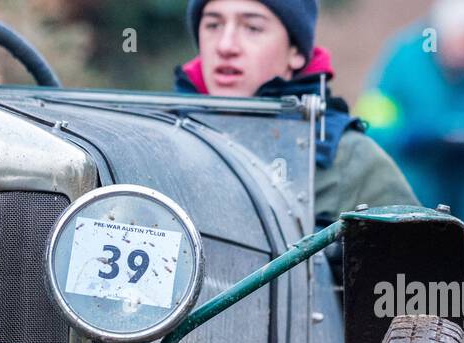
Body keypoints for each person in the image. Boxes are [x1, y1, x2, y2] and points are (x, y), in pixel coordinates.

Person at [174, 0, 418, 230]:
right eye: (213, 25)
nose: (225, 46)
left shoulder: (348, 160)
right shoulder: (162, 141)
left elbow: (416, 268)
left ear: (296, 52)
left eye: (252, 28)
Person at [357, 0, 464, 267]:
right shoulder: (404, 60)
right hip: (409, 187)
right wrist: (407, 136)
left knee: (461, 272)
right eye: (456, 44)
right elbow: (371, 120)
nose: (462, 55)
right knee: (407, 266)